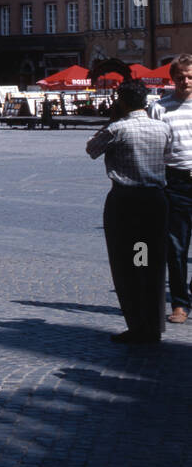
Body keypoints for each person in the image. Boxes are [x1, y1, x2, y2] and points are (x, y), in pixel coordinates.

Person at [87, 79, 170, 344]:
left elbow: (92, 149)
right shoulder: (162, 128)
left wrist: (112, 118)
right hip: (155, 201)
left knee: (129, 264)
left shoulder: (117, 128)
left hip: (127, 203)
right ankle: (154, 323)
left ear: (121, 101)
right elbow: (167, 156)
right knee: (150, 261)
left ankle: (138, 325)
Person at [148, 54, 192, 324]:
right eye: (180, 77)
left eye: (189, 76)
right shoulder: (160, 108)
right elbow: (153, 148)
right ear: (172, 78)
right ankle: (179, 304)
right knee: (176, 248)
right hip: (175, 182)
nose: (185, 81)